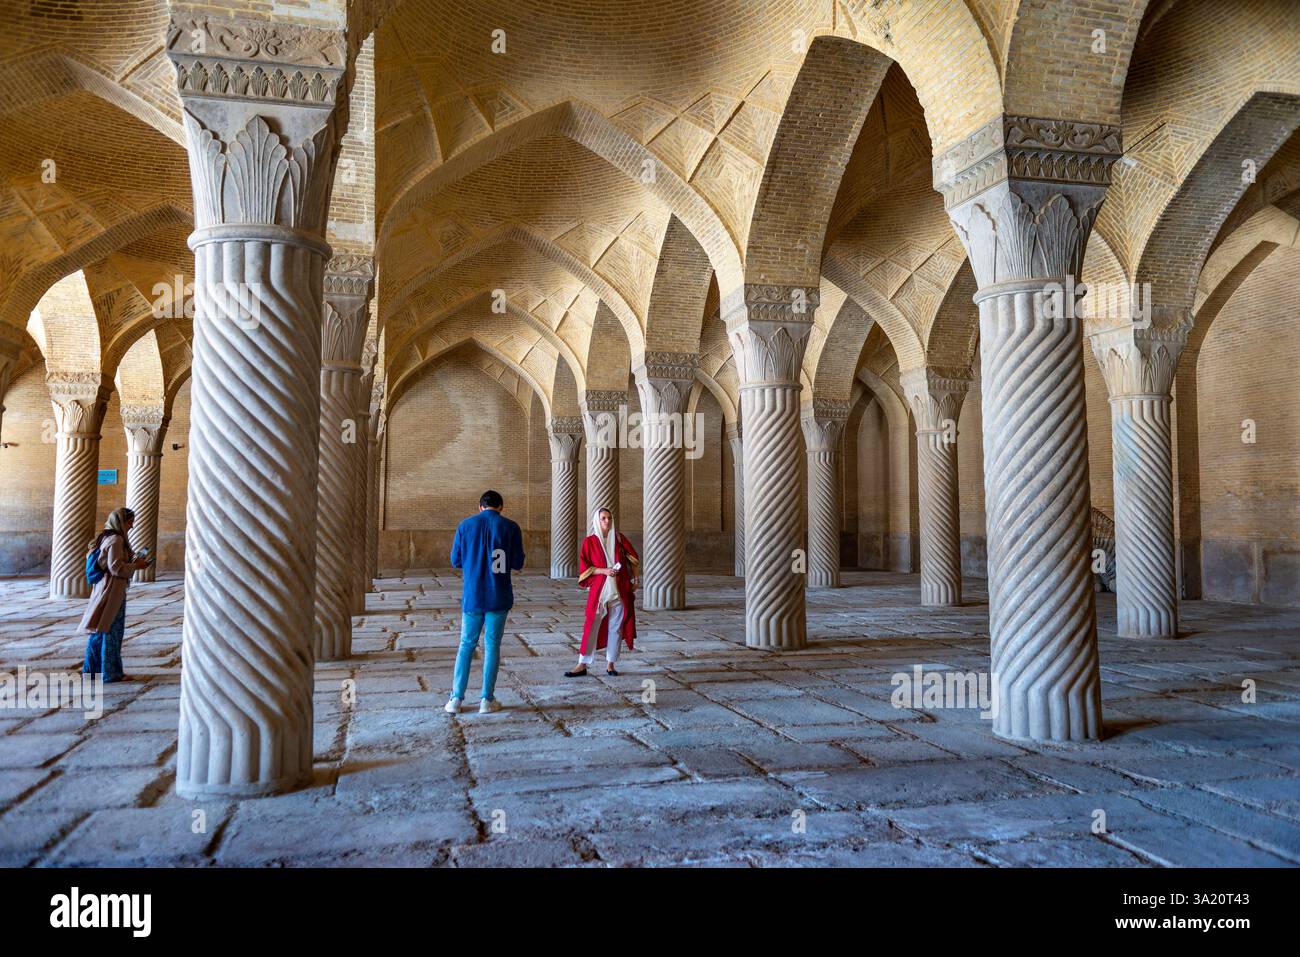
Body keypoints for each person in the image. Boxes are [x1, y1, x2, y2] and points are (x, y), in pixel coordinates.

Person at [445, 489, 525, 714]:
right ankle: (486, 700)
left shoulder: (465, 525)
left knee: (466, 645)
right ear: (501, 507)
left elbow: (455, 560)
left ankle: (456, 699)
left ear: (480, 506)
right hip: (499, 595)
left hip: (473, 596)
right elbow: (518, 562)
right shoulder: (510, 527)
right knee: (492, 646)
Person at [80, 507, 152, 683]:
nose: (131, 525)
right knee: (112, 631)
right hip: (112, 591)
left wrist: (132, 561)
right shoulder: (116, 539)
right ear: (120, 522)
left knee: (99, 630)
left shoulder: (106, 537)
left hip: (105, 588)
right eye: (129, 522)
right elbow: (116, 568)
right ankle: (111, 673)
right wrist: (137, 566)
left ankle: (90, 671)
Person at [566, 506, 639, 677]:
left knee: (616, 627)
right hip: (600, 591)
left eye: (609, 518)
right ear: (597, 521)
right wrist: (604, 571)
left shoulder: (619, 539)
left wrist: (636, 580)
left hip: (620, 589)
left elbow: (634, 560)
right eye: (603, 518)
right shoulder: (589, 542)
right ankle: (582, 664)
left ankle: (610, 664)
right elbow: (586, 568)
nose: (607, 521)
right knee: (591, 625)